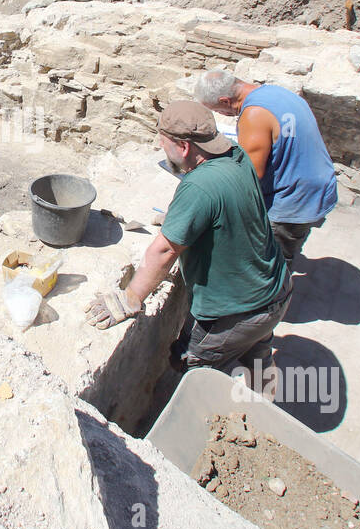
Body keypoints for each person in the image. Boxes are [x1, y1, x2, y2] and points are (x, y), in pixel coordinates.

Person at [84, 101, 292, 396]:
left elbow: (163, 251)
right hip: (275, 291)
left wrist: (130, 298)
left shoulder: (199, 187)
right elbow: (230, 206)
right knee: (258, 354)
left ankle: (211, 431)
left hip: (238, 312)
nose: (161, 148)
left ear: (182, 146)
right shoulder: (237, 156)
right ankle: (268, 413)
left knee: (195, 370)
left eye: (163, 142)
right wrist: (183, 220)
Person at [195, 71, 338, 265]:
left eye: (218, 110)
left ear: (225, 100)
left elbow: (249, 176)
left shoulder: (254, 114)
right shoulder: (277, 93)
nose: (222, 114)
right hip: (318, 184)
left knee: (270, 262)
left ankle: (275, 291)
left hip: (293, 198)